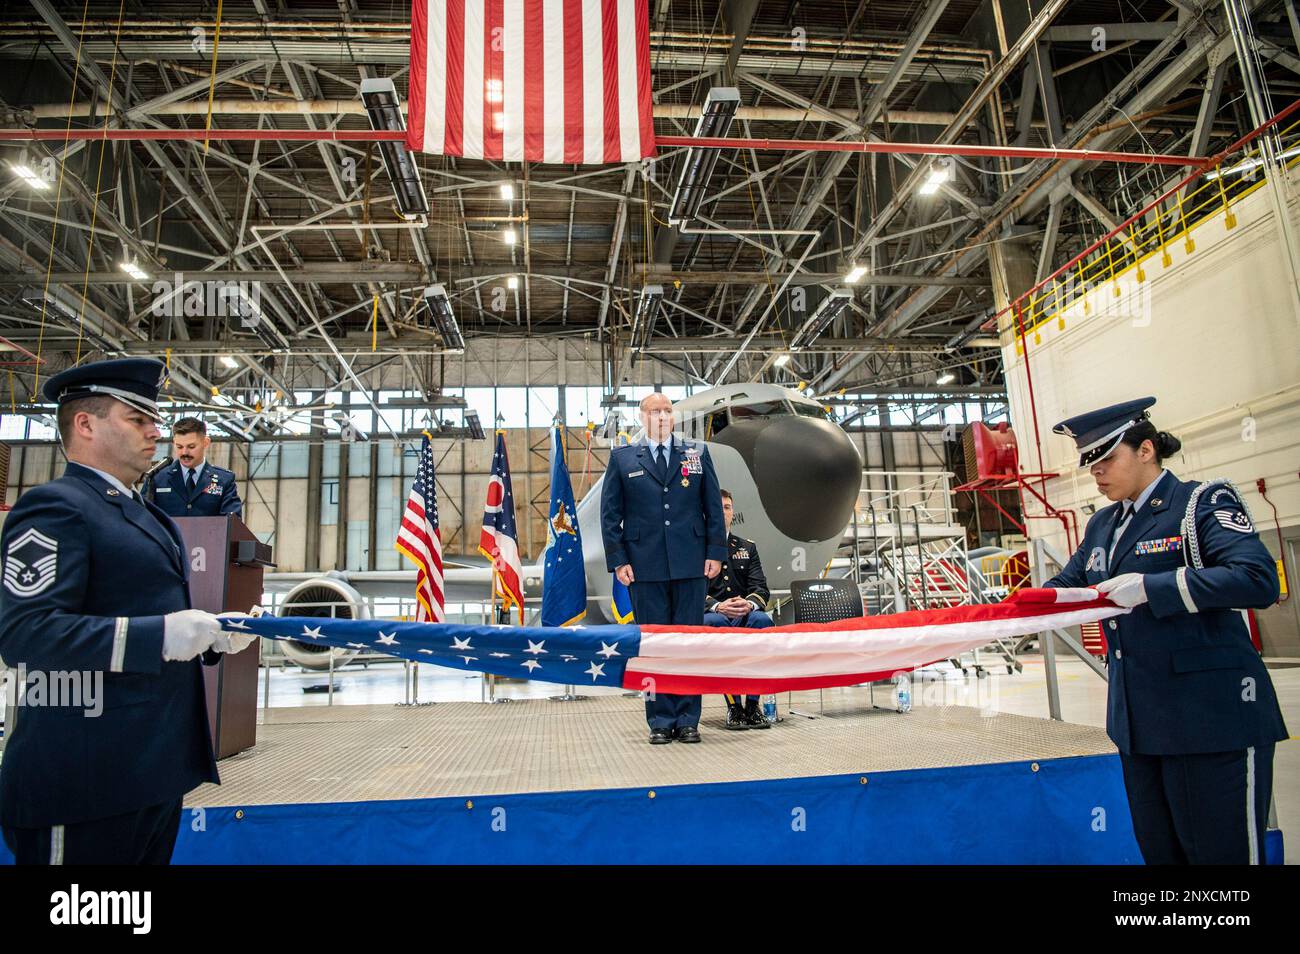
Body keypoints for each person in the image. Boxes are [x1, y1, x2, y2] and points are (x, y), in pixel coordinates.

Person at [0, 358, 257, 865]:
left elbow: (150, 607)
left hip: (152, 771)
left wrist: (211, 637)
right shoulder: (56, 507)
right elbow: (25, 633)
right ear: (85, 423)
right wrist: (159, 636)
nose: (156, 433)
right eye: (137, 419)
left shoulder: (148, 514)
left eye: (154, 420)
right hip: (84, 779)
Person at [1045, 396, 1286, 865]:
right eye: (1090, 464)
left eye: (1107, 458)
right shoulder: (1102, 526)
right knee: (1163, 855)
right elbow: (1067, 585)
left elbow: (1257, 578)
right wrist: (1007, 610)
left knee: (1222, 858)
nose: (1096, 473)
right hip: (1140, 727)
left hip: (1212, 720)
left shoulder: (1200, 503)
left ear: (1146, 449)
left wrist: (1154, 588)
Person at [601, 393, 726, 744]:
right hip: (644, 566)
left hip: (690, 562)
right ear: (642, 417)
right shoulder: (623, 458)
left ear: (674, 418)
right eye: (654, 411)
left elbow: (713, 507)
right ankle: (659, 720)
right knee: (653, 646)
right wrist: (619, 560)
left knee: (688, 645)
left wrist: (715, 551)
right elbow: (610, 515)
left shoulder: (697, 454)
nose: (661, 416)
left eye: (667, 411)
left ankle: (688, 719)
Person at [703, 489, 773, 730]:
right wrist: (717, 606)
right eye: (718, 506)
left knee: (762, 620)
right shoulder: (695, 548)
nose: (723, 511)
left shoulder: (747, 548)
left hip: (744, 614)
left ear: (733, 512)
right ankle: (734, 707)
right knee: (717, 624)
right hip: (714, 616)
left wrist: (748, 604)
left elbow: (761, 588)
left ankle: (753, 706)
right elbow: (690, 592)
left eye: (727, 507)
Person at [148, 416, 242, 518]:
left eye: (191, 447)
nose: (184, 452)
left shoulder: (224, 481)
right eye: (179, 447)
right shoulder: (157, 478)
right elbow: (144, 517)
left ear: (205, 442)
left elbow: (232, 523)